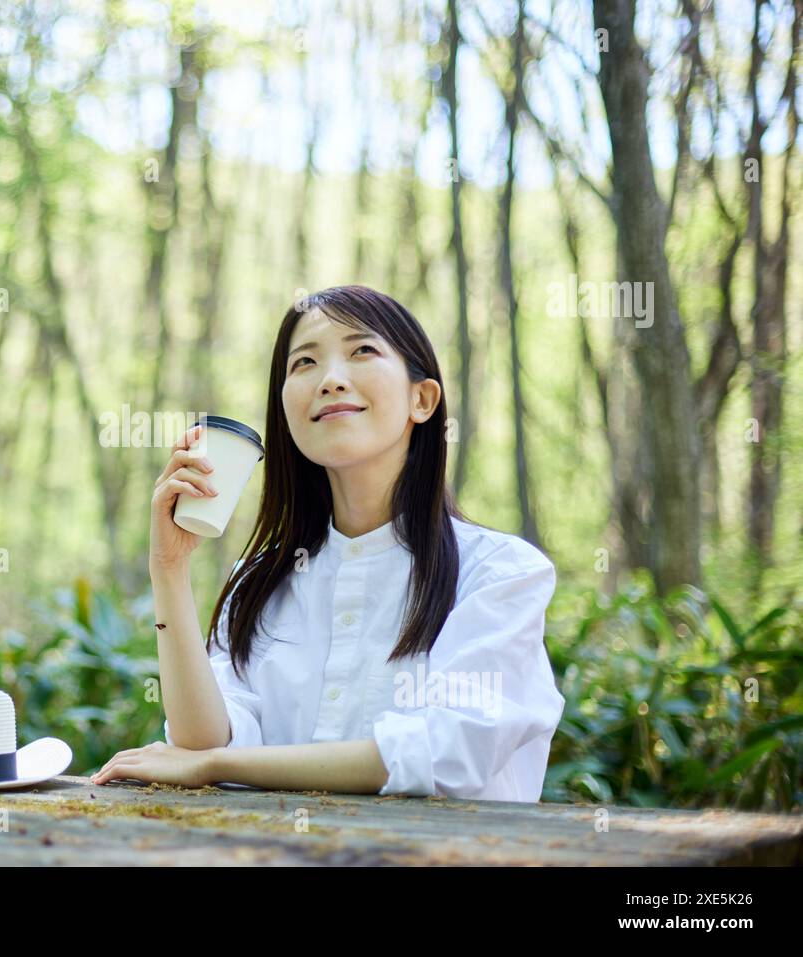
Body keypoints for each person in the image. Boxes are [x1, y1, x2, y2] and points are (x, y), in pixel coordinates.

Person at [90, 284, 565, 802]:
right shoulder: (259, 583)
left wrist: (217, 765)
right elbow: (203, 739)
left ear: (422, 399)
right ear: (286, 411)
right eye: (304, 364)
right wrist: (169, 568)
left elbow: (448, 753)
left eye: (362, 351)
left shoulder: (498, 572)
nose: (331, 380)